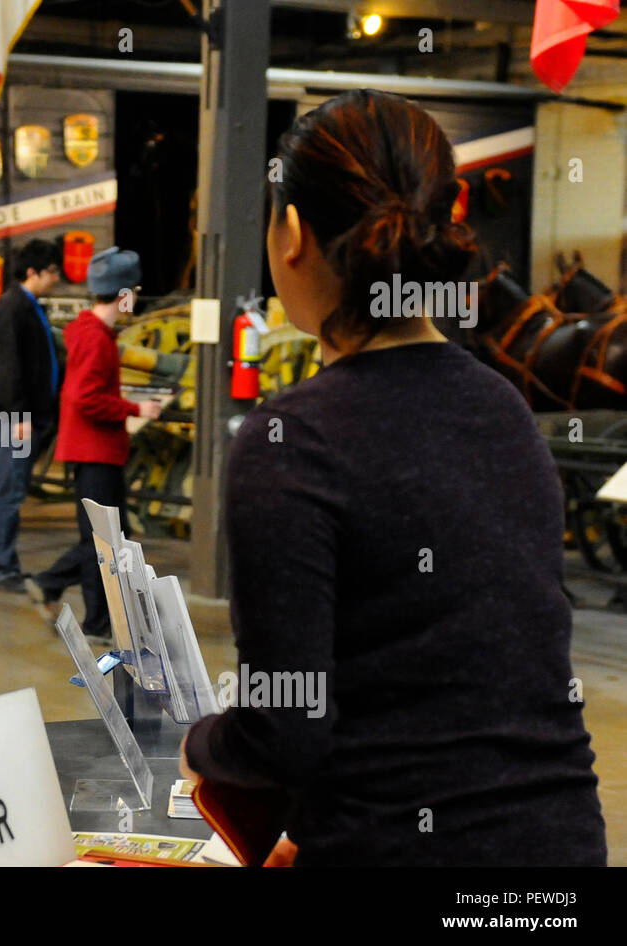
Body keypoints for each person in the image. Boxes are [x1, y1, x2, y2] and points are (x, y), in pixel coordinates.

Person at [178, 89, 607, 865]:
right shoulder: (505, 411)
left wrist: (203, 747)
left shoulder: (291, 439)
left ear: (293, 234)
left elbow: (285, 729)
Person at [26, 247, 160, 639]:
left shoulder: (87, 333)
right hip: (96, 451)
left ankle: (97, 622)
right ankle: (50, 582)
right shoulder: (97, 339)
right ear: (123, 294)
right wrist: (136, 407)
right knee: (106, 542)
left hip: (90, 451)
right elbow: (85, 397)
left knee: (104, 541)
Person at [0, 238, 61, 592]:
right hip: (12, 420)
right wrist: (21, 416)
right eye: (52, 271)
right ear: (33, 272)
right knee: (9, 491)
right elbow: (7, 367)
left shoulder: (25, 306)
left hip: (18, 417)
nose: (57, 278)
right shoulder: (13, 308)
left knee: (10, 489)